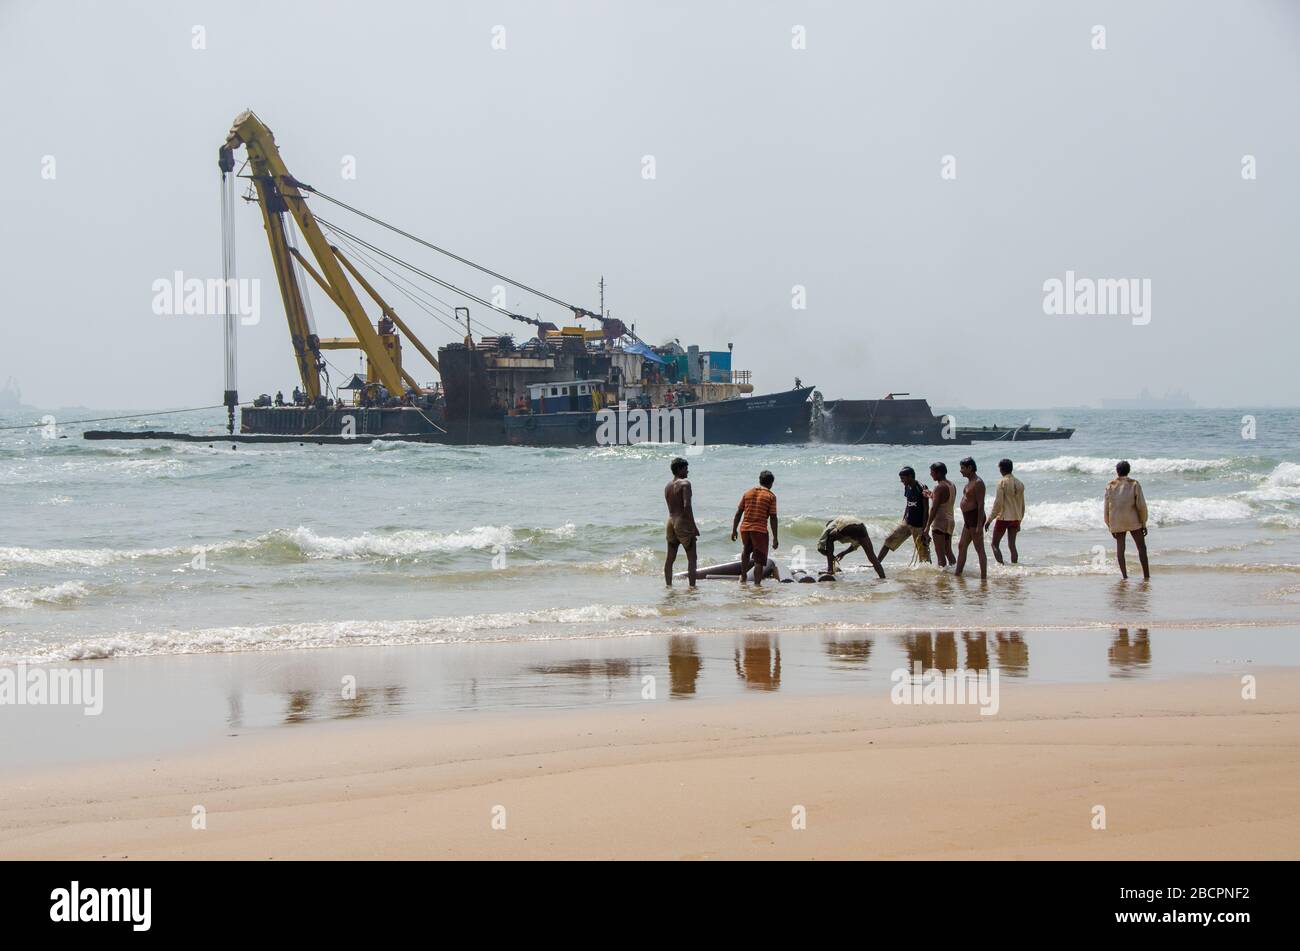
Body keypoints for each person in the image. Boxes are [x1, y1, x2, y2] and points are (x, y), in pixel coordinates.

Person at [731, 470, 779, 585]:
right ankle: (757, 584)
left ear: (760, 480)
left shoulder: (748, 493)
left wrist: (734, 530)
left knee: (746, 552)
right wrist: (775, 537)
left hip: (745, 528)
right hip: (760, 530)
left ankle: (743, 577)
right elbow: (773, 517)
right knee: (759, 559)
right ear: (771, 483)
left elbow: (739, 512)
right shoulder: (771, 496)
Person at [1105, 460, 1150, 579]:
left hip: (1117, 520)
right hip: (1133, 520)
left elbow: (1106, 507)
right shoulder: (1134, 484)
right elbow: (1141, 505)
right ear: (1128, 471)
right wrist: (1144, 522)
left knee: (1120, 549)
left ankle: (1125, 576)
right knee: (1141, 548)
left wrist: (1109, 525)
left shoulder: (1110, 485)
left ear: (1117, 471)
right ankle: (1146, 576)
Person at [879, 467, 932, 565]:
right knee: (889, 540)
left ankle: (927, 575)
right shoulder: (907, 487)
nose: (902, 481)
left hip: (919, 526)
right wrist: (904, 519)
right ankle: (877, 563)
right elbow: (908, 504)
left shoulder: (921, 487)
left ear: (910, 477)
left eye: (903, 479)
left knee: (924, 555)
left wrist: (925, 529)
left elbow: (926, 509)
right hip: (907, 523)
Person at [664, 457, 699, 586]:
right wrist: (693, 526)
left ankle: (668, 586)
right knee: (692, 558)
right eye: (685, 468)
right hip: (682, 522)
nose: (687, 471)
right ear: (679, 469)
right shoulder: (685, 484)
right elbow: (687, 506)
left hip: (670, 522)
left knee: (670, 558)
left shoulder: (667, 486)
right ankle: (692, 588)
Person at [817, 515, 885, 578]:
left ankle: (830, 570)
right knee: (872, 556)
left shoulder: (831, 525)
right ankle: (882, 577)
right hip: (861, 526)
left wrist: (829, 555)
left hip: (847, 526)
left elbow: (820, 545)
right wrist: (843, 553)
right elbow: (855, 545)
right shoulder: (842, 521)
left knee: (830, 537)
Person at [987, 458, 1025, 564]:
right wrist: (1020, 521)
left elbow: (998, 503)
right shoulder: (1020, 483)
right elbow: (1022, 505)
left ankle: (1002, 568)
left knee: (994, 544)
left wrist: (989, 520)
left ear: (1002, 469)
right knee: (1012, 545)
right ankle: (1015, 568)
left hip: (1004, 518)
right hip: (1016, 518)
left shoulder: (1002, 482)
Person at [954, 457, 988, 578]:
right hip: (967, 518)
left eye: (963, 468)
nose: (961, 471)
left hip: (975, 518)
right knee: (961, 545)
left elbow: (981, 505)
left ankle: (984, 578)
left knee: (979, 548)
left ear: (970, 468)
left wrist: (979, 525)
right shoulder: (970, 481)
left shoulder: (978, 483)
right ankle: (957, 574)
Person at [924, 462, 957, 568]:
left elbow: (934, 508)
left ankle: (942, 581)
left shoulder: (939, 487)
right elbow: (943, 500)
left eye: (932, 472)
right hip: (950, 521)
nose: (930, 474)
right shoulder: (951, 485)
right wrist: (931, 495)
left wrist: (927, 526)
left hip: (940, 522)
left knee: (940, 554)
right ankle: (956, 571)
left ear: (938, 473)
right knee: (948, 551)